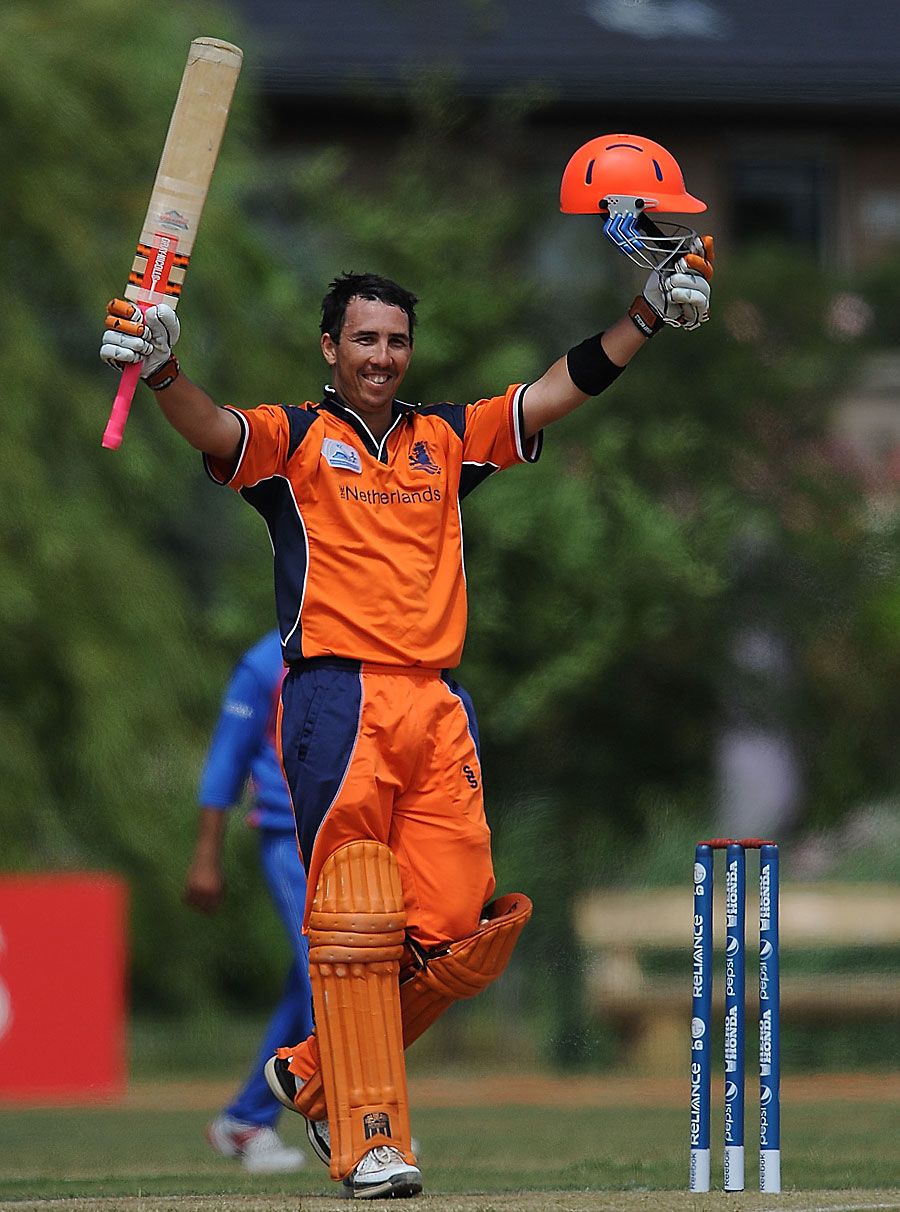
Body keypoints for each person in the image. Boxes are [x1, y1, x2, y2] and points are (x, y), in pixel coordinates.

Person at [101, 139, 713, 1200]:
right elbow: (209, 426)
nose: (384, 356)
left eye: (397, 341)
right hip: (338, 697)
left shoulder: (446, 439)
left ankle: (312, 1068)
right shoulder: (293, 443)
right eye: (365, 341)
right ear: (330, 348)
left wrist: (652, 313)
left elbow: (561, 389)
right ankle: (372, 1141)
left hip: (437, 704)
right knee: (353, 920)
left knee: (466, 925)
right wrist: (161, 367)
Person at [184, 629, 313, 1174]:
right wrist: (206, 856)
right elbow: (224, 762)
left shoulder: (348, 649)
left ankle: (245, 1120)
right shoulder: (265, 664)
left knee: (307, 988)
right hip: (288, 839)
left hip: (343, 835)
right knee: (329, 977)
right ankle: (358, 1119)